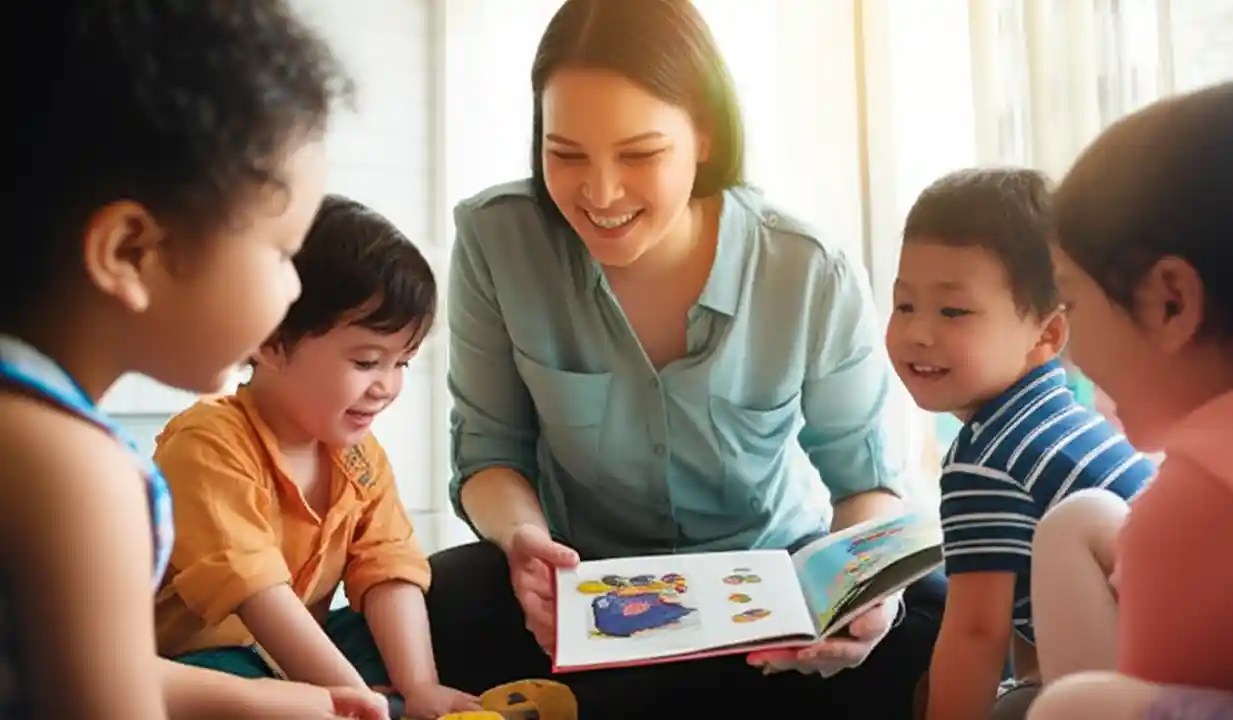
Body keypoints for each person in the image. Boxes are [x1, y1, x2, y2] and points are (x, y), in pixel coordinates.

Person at [430, 0, 945, 716]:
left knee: (927, 606)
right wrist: (525, 540)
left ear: (705, 133)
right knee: (432, 603)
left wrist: (859, 594)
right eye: (566, 153)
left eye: (639, 154)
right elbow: (490, 454)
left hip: (768, 592)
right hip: (589, 589)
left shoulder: (806, 269)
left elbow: (867, 487)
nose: (600, 193)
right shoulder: (496, 241)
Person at [1, 2, 389, 718]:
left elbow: (92, 669)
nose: (294, 288)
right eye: (281, 253)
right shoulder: (76, 476)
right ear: (131, 253)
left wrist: (283, 705)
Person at [153, 196, 481, 718]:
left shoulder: (359, 457)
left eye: (404, 363)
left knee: (422, 619)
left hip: (306, 647)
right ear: (272, 342)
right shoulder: (208, 442)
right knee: (240, 685)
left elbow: (386, 568)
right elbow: (259, 597)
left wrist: (419, 685)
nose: (388, 387)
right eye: (368, 361)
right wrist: (357, 701)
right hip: (208, 662)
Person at [1026, 78, 1233, 718]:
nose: (1066, 347)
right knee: (1081, 519)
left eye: (1072, 302)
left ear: (1170, 301)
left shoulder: (1204, 494)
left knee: (1076, 707)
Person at [885, 168, 1153, 720]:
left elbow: (978, 633)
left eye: (953, 311)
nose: (918, 333)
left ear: (1048, 334)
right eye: (905, 305)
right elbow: (1028, 612)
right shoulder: (1055, 412)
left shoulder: (985, 462)